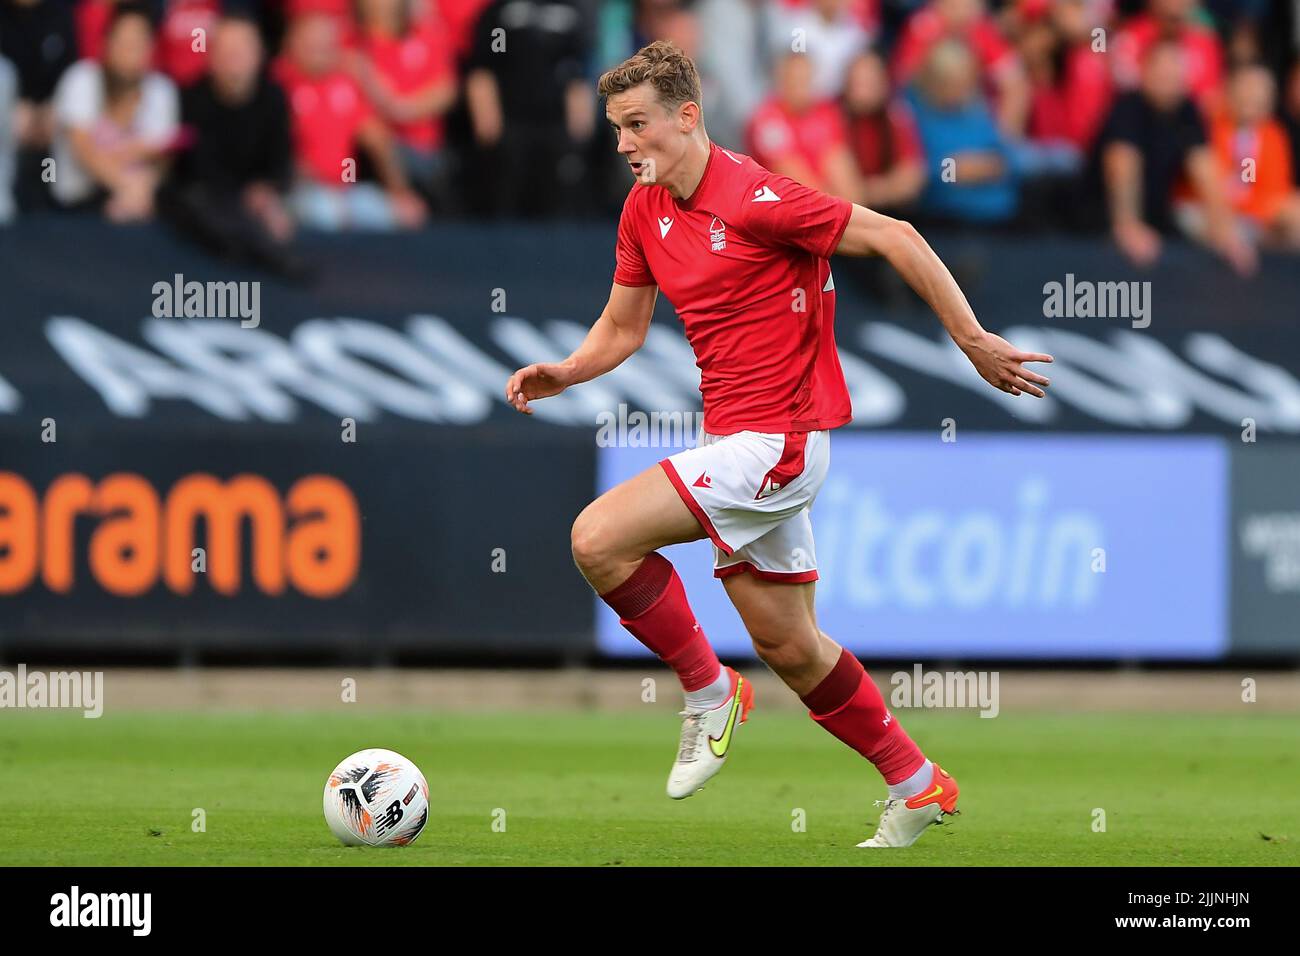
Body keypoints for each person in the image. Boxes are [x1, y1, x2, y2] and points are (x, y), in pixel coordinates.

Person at [504, 41, 1055, 849]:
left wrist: (970, 339)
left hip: (779, 442)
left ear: (687, 118)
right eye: (617, 127)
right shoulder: (645, 209)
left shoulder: (759, 196)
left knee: (598, 538)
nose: (623, 144)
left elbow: (899, 234)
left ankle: (707, 689)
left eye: (637, 125)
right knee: (790, 645)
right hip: (737, 441)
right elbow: (623, 326)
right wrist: (567, 371)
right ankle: (917, 783)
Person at [1097, 38, 1254, 273]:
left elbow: (1204, 166)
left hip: (1158, 216)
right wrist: (1128, 226)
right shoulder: (1128, 105)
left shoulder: (1187, 110)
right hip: (1100, 214)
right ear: (1144, 70)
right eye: (1161, 71)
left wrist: (1225, 231)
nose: (1168, 79)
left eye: (1174, 73)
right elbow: (1121, 163)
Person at [160, 12, 300, 272]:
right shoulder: (191, 99)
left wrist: (268, 191)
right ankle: (268, 256)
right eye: (225, 49)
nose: (233, 56)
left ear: (259, 54)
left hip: (258, 197)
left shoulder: (274, 98)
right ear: (211, 56)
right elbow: (199, 171)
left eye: (242, 48)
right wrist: (250, 200)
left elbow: (281, 159)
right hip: (207, 200)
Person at [50, 2, 179, 221]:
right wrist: (127, 186)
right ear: (106, 43)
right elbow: (83, 150)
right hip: (77, 209)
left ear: (151, 48)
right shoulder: (81, 78)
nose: (129, 51)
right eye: (123, 41)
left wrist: (140, 191)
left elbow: (163, 158)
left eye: (137, 43)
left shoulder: (162, 90)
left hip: (139, 207)